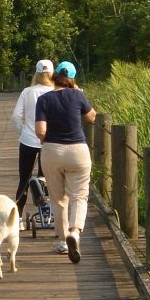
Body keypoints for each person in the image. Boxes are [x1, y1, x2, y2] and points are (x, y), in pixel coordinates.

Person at [34, 61, 96, 263]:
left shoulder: (43, 99)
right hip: (78, 151)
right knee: (79, 195)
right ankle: (75, 232)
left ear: (53, 77)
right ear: (72, 78)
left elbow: (40, 131)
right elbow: (91, 117)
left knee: (58, 198)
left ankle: (62, 240)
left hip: (52, 150)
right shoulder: (78, 95)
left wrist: (47, 143)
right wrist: (77, 91)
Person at [11, 59, 55, 227]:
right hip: (49, 141)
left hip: (28, 141)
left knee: (24, 179)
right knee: (47, 178)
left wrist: (23, 133)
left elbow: (16, 116)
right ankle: (47, 214)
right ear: (52, 73)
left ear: (36, 73)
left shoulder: (27, 92)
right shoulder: (55, 92)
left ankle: (19, 220)